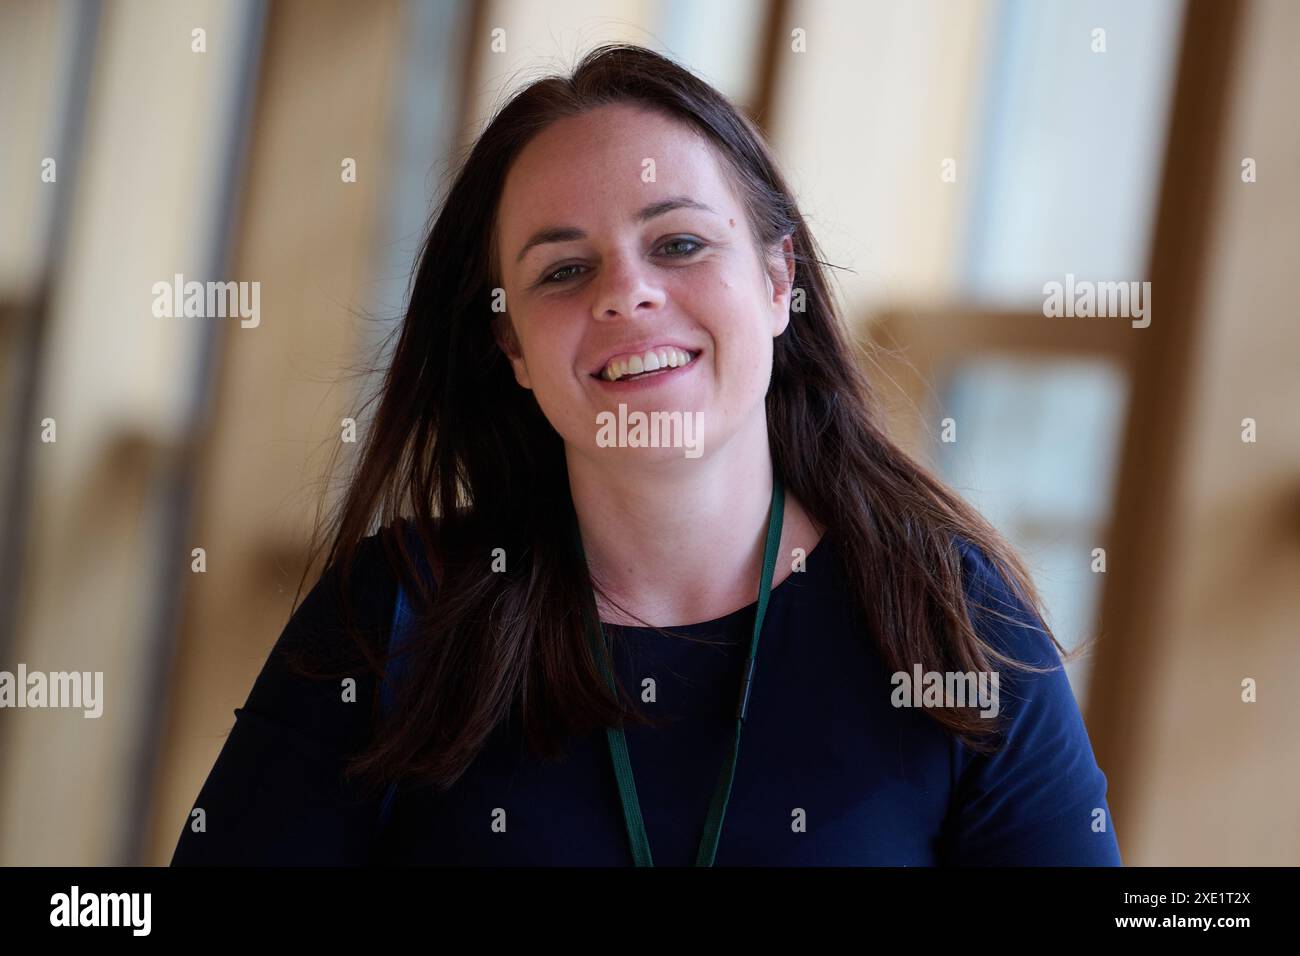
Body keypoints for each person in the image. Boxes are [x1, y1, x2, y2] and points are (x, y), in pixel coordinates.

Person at [171, 43, 1121, 866]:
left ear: (777, 277)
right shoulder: (396, 611)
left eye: (677, 242)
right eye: (564, 270)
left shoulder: (947, 616)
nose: (627, 295)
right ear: (512, 348)